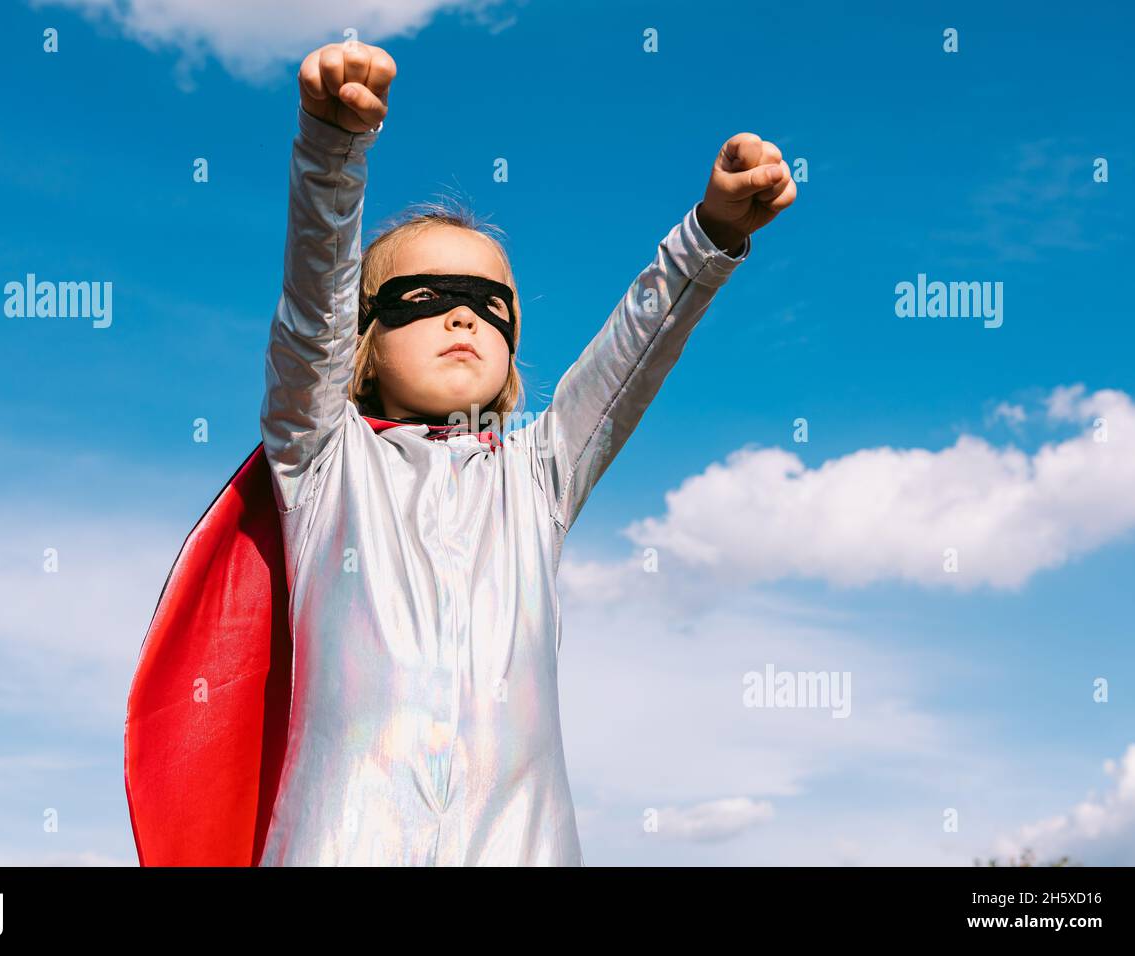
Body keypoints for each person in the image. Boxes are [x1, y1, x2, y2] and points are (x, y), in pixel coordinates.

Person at [255, 39, 795, 866]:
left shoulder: (537, 473)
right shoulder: (321, 460)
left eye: (490, 305)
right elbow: (312, 310)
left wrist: (712, 232)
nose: (465, 318)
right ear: (366, 340)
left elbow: (634, 349)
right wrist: (333, 152)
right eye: (426, 298)